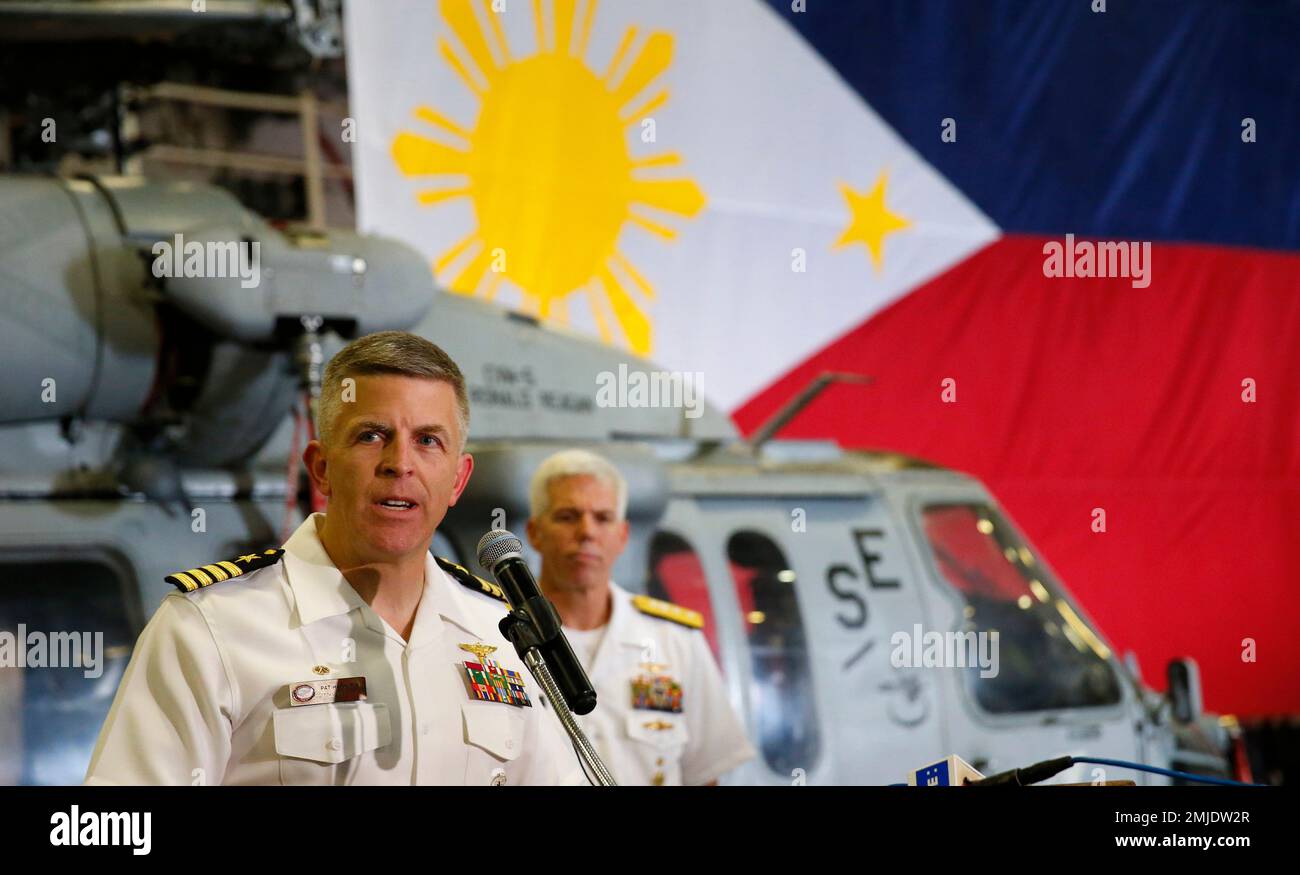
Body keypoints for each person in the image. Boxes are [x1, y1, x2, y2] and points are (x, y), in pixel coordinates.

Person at [86, 331, 575, 785]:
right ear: (321, 468)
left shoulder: (504, 633)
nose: (399, 463)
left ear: (458, 480)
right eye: (371, 435)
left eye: (427, 440)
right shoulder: (209, 629)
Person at [525, 449, 755, 785]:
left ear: (622, 536)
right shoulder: (494, 633)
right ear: (534, 532)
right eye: (567, 516)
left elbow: (705, 774)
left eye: (602, 518)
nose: (586, 532)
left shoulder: (675, 641)